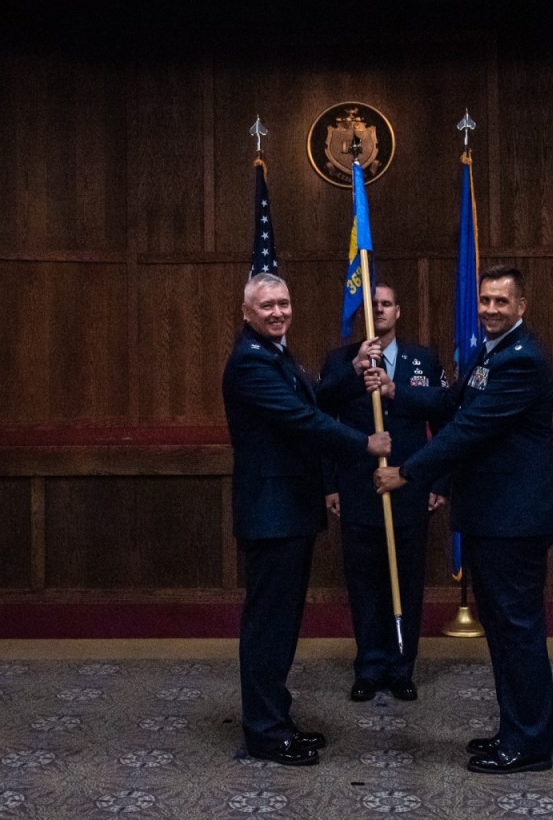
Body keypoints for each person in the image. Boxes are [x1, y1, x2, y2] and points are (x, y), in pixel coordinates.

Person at [373, 265, 553, 775]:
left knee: (518, 631)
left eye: (501, 302)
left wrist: (407, 473)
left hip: (514, 518)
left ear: (521, 307)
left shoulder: (523, 361)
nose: (489, 309)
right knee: (502, 631)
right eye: (484, 300)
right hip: (490, 515)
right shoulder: (488, 350)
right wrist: (396, 392)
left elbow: (469, 429)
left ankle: (529, 744)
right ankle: (516, 731)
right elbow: (451, 401)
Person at [222, 272, 391, 767]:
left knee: (281, 627)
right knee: (268, 629)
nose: (278, 312)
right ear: (246, 313)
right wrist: (364, 444)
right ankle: (266, 734)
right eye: (267, 306)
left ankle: (276, 719)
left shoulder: (272, 354)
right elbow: (302, 420)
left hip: (289, 511)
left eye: (284, 303)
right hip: (272, 514)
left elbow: (311, 399)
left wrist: (351, 369)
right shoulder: (250, 364)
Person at [318, 283, 448, 704]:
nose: (380, 310)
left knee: (407, 581)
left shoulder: (423, 359)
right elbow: (320, 415)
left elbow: (445, 412)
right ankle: (370, 666)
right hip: (358, 487)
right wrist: (330, 485)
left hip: (410, 485)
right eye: (372, 306)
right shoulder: (341, 360)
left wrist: (439, 481)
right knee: (364, 582)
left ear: (399, 311)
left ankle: (401, 666)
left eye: (387, 304)